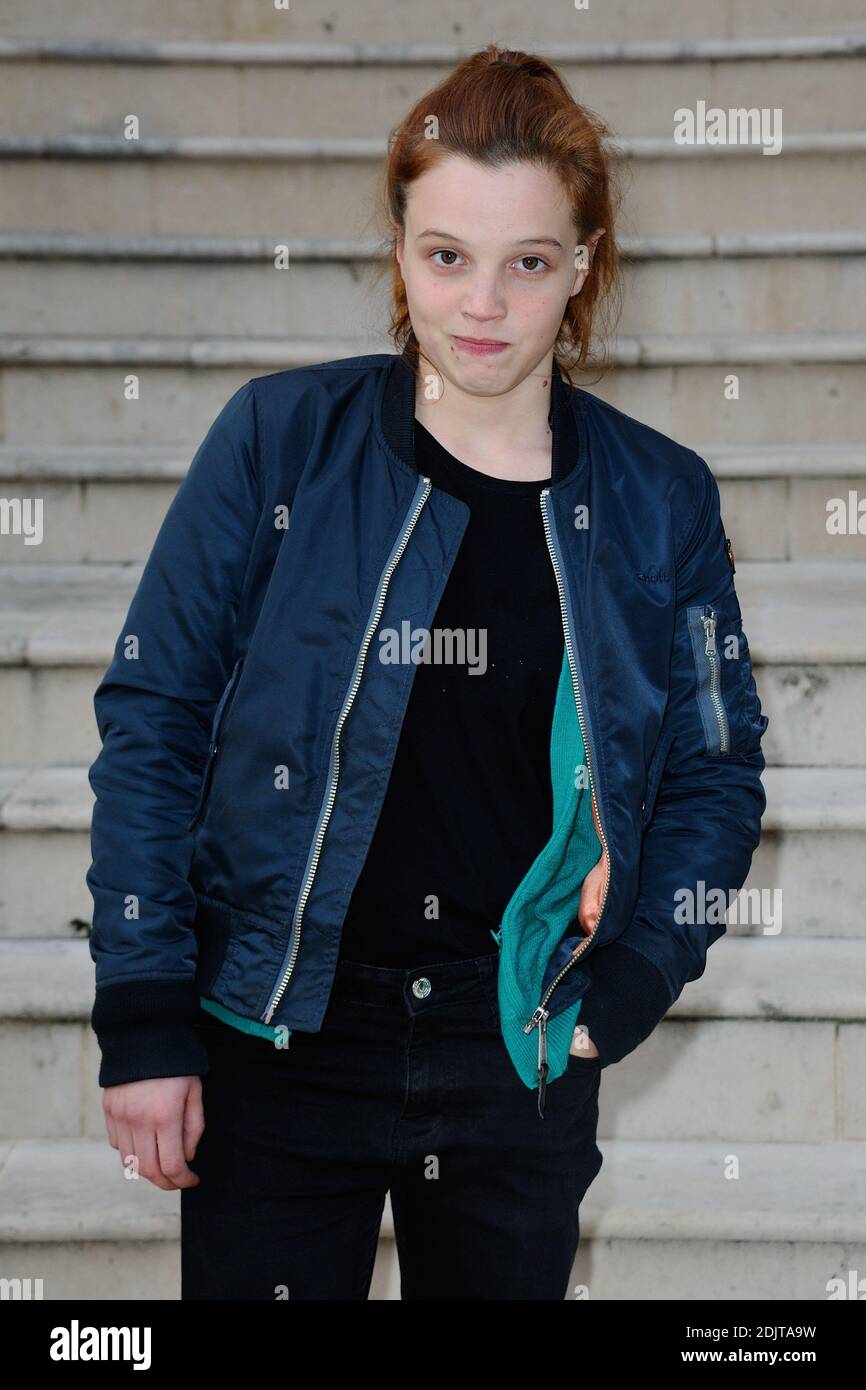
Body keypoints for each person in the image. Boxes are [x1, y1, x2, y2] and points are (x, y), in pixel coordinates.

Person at [86, 45, 768, 1300]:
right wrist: (142, 1014)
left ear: (583, 263)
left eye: (527, 261)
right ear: (398, 250)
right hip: (278, 1037)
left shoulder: (656, 498)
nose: (484, 304)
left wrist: (621, 987)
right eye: (446, 254)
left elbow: (716, 772)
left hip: (513, 1046)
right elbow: (155, 720)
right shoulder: (276, 443)